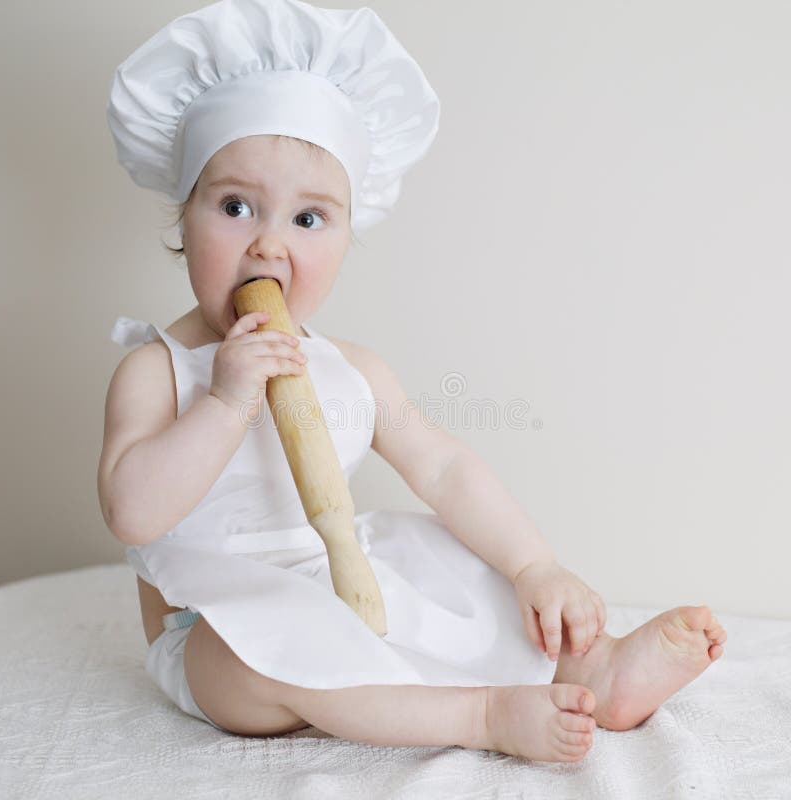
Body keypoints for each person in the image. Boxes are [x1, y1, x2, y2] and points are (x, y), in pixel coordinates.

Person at [99, 0, 727, 762]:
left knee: (442, 555)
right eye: (236, 206)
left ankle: (589, 664)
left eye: (309, 219)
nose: (269, 242)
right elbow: (132, 513)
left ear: (345, 236)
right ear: (184, 214)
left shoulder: (352, 369)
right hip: (213, 623)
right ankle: (480, 717)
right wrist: (228, 400)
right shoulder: (155, 369)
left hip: (339, 579)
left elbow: (446, 468)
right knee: (251, 654)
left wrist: (537, 567)